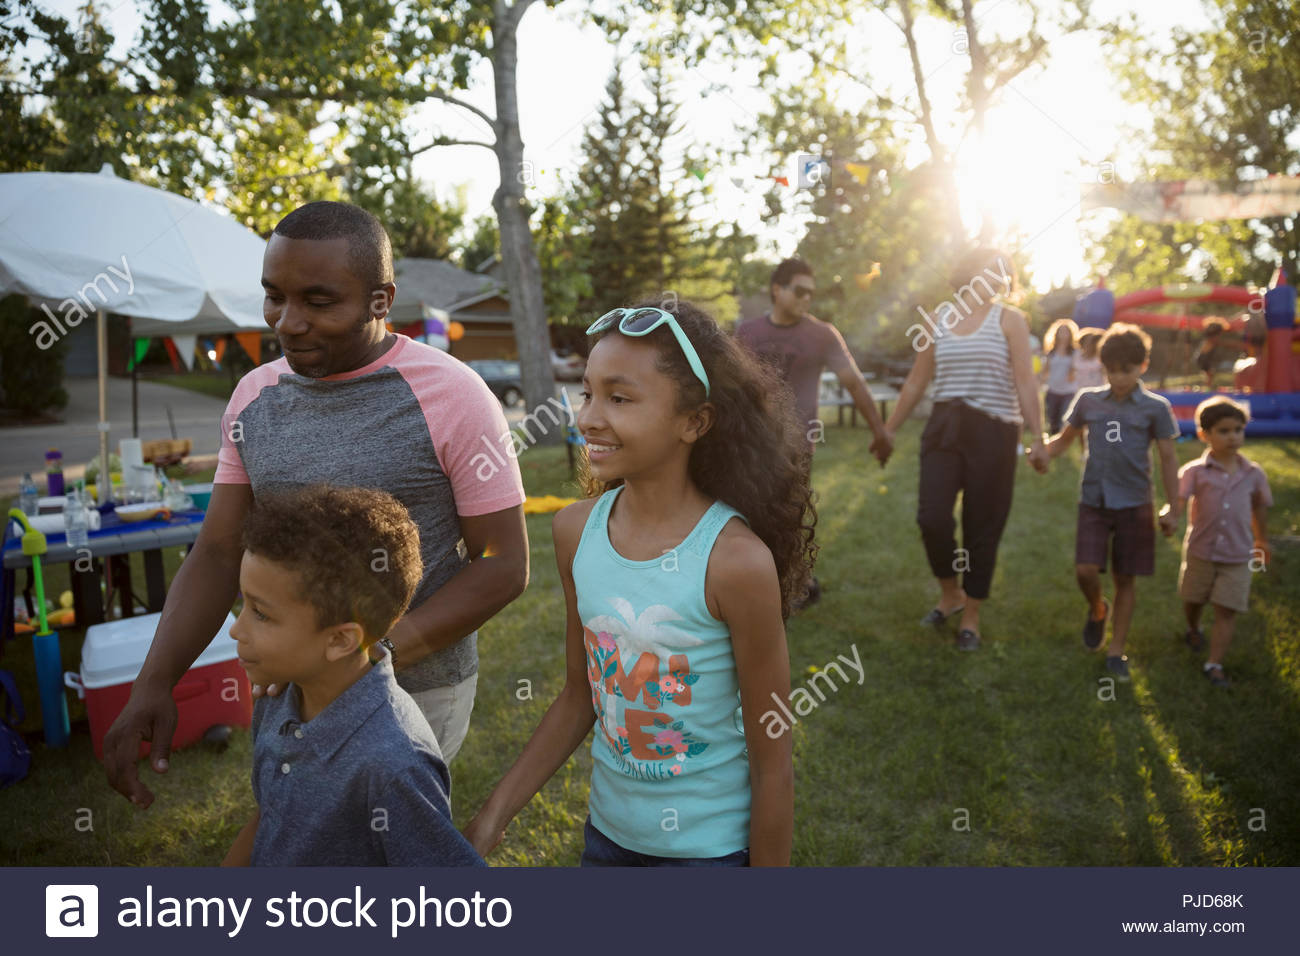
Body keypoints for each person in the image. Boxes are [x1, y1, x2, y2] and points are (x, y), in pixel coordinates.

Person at [104, 201, 528, 809]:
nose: (288, 322)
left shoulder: (453, 395)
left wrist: (363, 660)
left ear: (382, 300)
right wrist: (155, 681)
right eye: (274, 296)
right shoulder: (255, 396)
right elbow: (220, 550)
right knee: (296, 838)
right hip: (289, 688)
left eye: (319, 302)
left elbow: (503, 564)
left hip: (414, 691)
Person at [464, 300, 810, 866]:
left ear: (694, 422)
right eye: (588, 393)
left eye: (619, 398)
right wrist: (492, 816)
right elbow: (581, 697)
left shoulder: (735, 562)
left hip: (711, 854)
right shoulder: (575, 531)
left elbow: (773, 762)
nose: (589, 417)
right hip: (607, 844)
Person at [222, 486, 484, 866]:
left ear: (341, 640)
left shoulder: (395, 764)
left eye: (261, 613)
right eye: (242, 604)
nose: (237, 629)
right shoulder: (279, 696)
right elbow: (272, 814)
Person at [883, 247, 1048, 651]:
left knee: (983, 523)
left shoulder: (1010, 320)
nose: (997, 279)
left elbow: (1026, 382)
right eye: (989, 270)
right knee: (932, 517)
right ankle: (949, 592)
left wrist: (1039, 436)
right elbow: (917, 382)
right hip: (944, 428)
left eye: (1003, 273)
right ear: (968, 272)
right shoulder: (938, 318)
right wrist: (887, 430)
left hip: (994, 431)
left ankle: (970, 614)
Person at [735, 257, 890, 605]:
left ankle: (794, 586)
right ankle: (751, 583)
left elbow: (854, 382)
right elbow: (728, 387)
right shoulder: (747, 333)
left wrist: (880, 431)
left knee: (789, 517)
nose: (807, 299)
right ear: (777, 290)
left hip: (797, 445)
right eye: (800, 291)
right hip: (751, 444)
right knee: (747, 515)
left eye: (811, 293)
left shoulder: (822, 335)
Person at [1045, 323, 1181, 682]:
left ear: (1143, 365)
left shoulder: (1156, 408)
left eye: (1128, 370)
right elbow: (1063, 440)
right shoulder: (1087, 400)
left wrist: (1173, 506)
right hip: (1094, 499)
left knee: (1125, 578)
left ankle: (1117, 651)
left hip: (1135, 503)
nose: (1119, 378)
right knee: (1085, 570)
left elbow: (1168, 459)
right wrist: (1043, 453)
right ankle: (1096, 608)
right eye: (1112, 371)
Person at [1175, 397, 1272, 688]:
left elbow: (1260, 509)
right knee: (1193, 599)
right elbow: (1179, 501)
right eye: (1224, 431)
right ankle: (1193, 627)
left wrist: (1262, 541)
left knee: (1226, 609)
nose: (1233, 437)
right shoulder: (1194, 471)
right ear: (1204, 434)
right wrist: (1169, 515)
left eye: (1238, 430)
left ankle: (1214, 663)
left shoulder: (1254, 474)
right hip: (1201, 552)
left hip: (1238, 555)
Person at [1041, 318, 1078, 435]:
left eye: (1066, 332)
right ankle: (1052, 444)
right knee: (1053, 420)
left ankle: (1062, 443)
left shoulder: (1075, 352)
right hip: (1052, 390)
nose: (1063, 335)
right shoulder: (1051, 352)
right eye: (1061, 332)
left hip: (1068, 391)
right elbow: (1045, 371)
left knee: (1064, 419)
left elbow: (1075, 372)